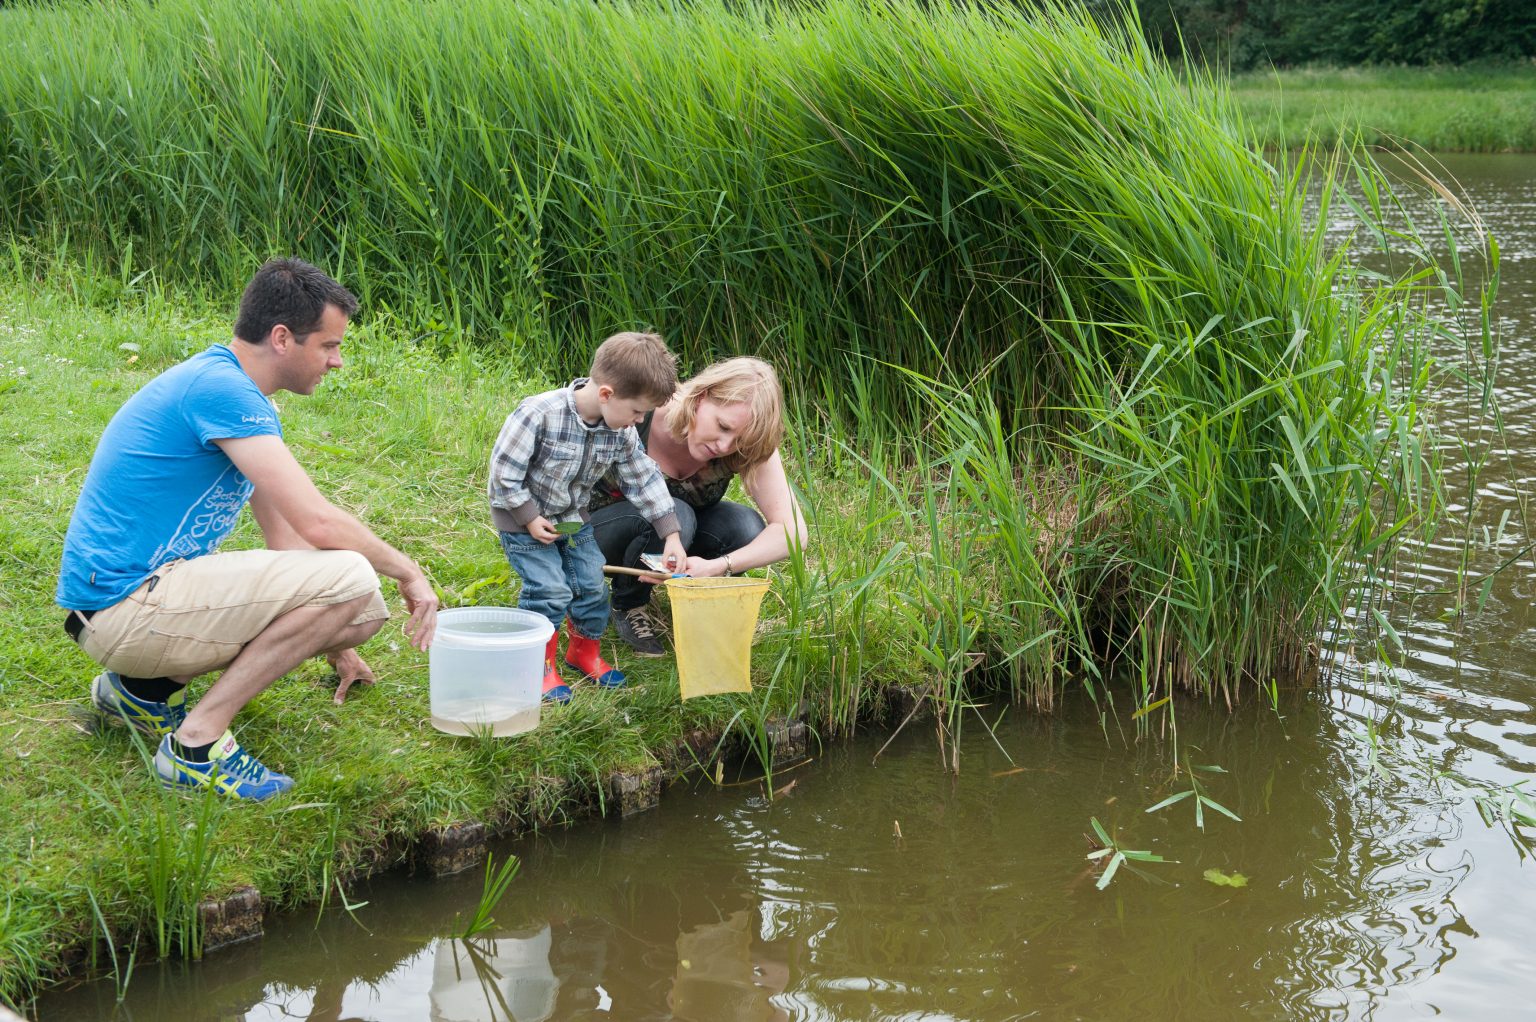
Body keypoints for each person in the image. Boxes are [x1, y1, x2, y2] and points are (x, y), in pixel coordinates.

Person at [57, 257, 438, 802]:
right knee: (355, 575)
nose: (337, 362)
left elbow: (287, 540)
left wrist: (332, 639)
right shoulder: (223, 393)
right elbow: (317, 520)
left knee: (361, 605)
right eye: (329, 346)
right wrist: (409, 570)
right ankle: (195, 747)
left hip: (127, 605)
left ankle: (141, 694)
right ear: (282, 338)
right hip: (123, 608)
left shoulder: (233, 391)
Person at [488, 331, 687, 703]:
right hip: (522, 523)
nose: (639, 421)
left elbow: (642, 477)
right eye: (637, 411)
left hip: (571, 520)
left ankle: (583, 653)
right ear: (607, 394)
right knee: (550, 590)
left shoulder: (620, 432)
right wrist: (529, 517)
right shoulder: (539, 413)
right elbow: (504, 472)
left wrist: (671, 533)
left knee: (593, 584)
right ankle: (535, 665)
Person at [588, 356, 809, 656]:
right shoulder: (646, 408)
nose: (723, 446)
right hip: (596, 530)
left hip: (677, 537)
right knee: (677, 513)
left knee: (745, 527)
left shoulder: (747, 443)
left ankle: (695, 593)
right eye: (722, 426)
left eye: (738, 441)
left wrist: (719, 566)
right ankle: (629, 603)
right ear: (702, 397)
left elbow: (793, 532)